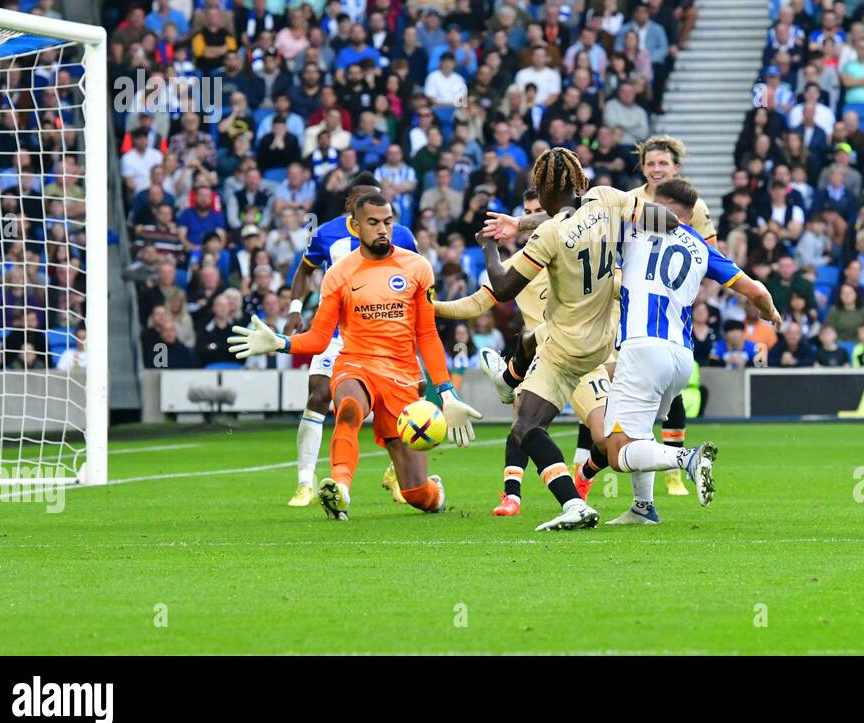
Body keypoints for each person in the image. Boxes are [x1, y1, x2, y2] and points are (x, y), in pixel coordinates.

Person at [229, 194, 481, 521]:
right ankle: (340, 489)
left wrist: (446, 393)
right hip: (355, 364)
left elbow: (427, 335)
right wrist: (280, 342)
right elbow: (320, 337)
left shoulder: (417, 267)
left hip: (402, 378)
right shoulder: (339, 274)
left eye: (387, 222)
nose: (382, 229)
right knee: (347, 408)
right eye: (374, 223)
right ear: (356, 225)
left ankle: (433, 491)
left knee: (417, 495)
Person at [474, 148, 678, 531]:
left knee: (526, 426)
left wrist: (489, 248)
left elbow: (501, 288)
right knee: (605, 433)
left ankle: (572, 502)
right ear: (580, 182)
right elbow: (665, 220)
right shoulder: (606, 198)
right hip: (604, 342)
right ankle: (586, 495)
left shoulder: (550, 234)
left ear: (543, 193)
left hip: (564, 344)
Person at [573, 178, 780, 524]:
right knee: (641, 432)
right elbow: (756, 289)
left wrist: (524, 223)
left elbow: (583, 220)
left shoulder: (633, 224)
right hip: (681, 359)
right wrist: (768, 311)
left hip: (642, 349)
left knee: (617, 451)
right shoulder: (701, 245)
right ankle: (643, 508)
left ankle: (688, 459)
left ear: (663, 206)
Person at [434, 189, 612, 518]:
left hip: (587, 354)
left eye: (537, 213)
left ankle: (584, 476)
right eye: (527, 213)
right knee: (523, 420)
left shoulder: (579, 247)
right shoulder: (519, 263)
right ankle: (513, 495)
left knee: (607, 441)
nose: (532, 221)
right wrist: (431, 308)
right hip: (547, 357)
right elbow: (477, 302)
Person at [282, 172, 417, 508]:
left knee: (407, 404)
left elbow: (413, 278)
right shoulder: (326, 233)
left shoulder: (400, 235)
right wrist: (295, 309)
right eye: (362, 201)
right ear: (349, 206)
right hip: (336, 333)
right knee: (318, 394)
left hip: (383, 335)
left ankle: (397, 471)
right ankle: (305, 484)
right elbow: (305, 269)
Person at [624, 135, 718, 496]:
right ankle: (618, 474)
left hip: (670, 308)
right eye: (651, 163)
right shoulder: (630, 200)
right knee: (617, 383)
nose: (657, 168)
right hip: (628, 306)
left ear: (676, 168)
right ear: (643, 167)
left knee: (668, 390)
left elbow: (709, 254)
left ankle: (672, 472)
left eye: (663, 163)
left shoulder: (694, 206)